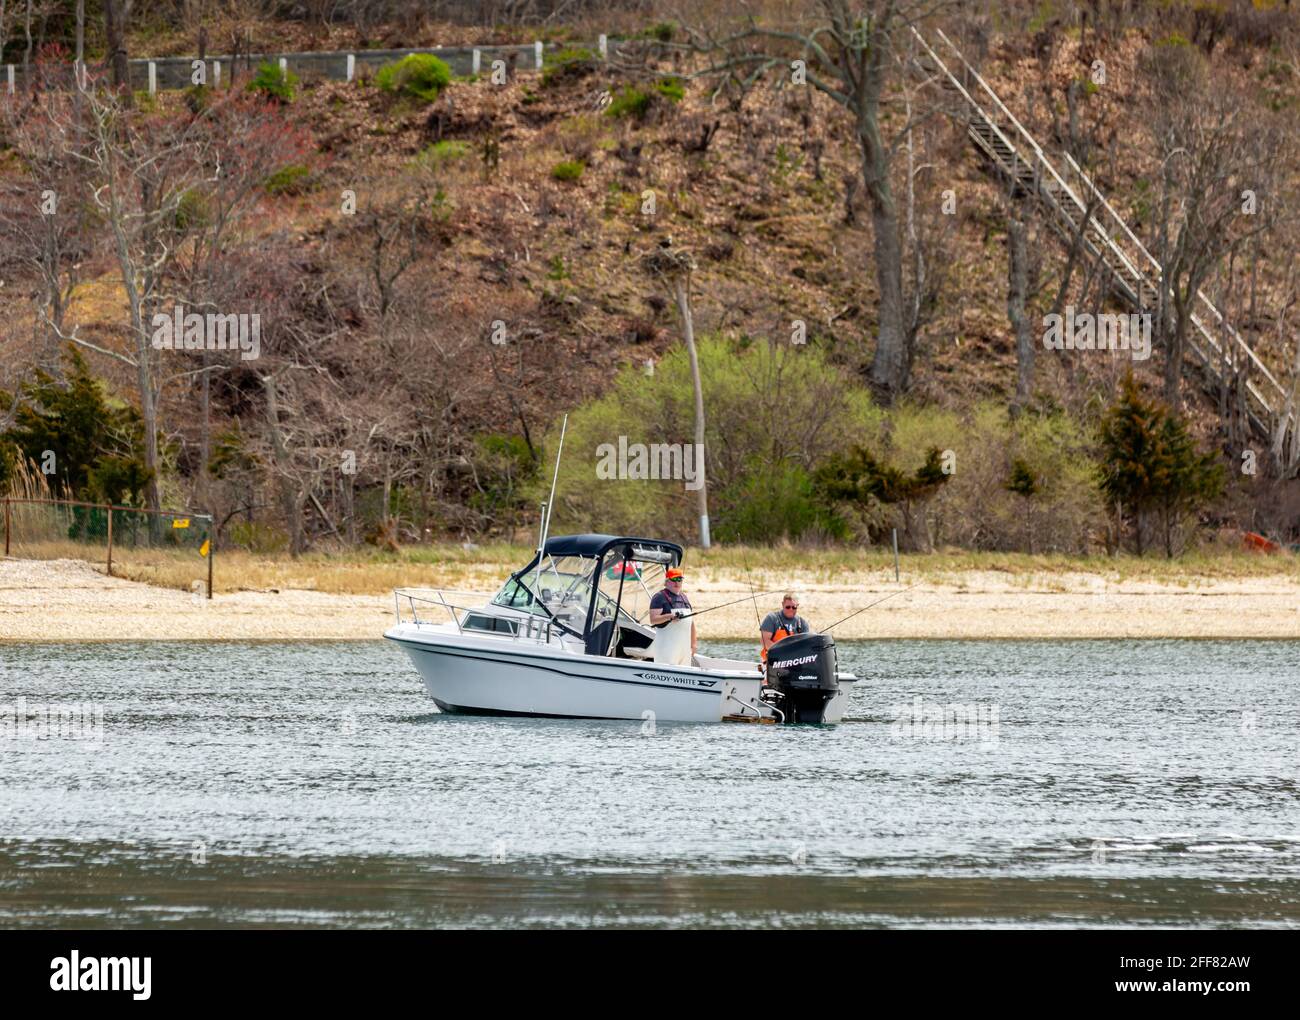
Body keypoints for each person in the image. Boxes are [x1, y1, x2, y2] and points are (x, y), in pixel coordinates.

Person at [648, 566, 696, 659]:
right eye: (674, 579)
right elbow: (653, 619)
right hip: (666, 648)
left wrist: (694, 644)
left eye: (679, 579)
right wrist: (669, 616)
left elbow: (691, 622)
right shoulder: (659, 597)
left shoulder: (684, 597)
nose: (677, 582)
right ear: (667, 581)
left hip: (683, 648)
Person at [760, 592, 808, 661]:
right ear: (782, 604)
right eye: (788, 607)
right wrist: (782, 653)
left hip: (794, 662)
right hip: (772, 661)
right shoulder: (772, 618)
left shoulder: (803, 623)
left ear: (797, 605)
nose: (791, 609)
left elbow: (805, 646)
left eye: (794, 607)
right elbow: (764, 640)